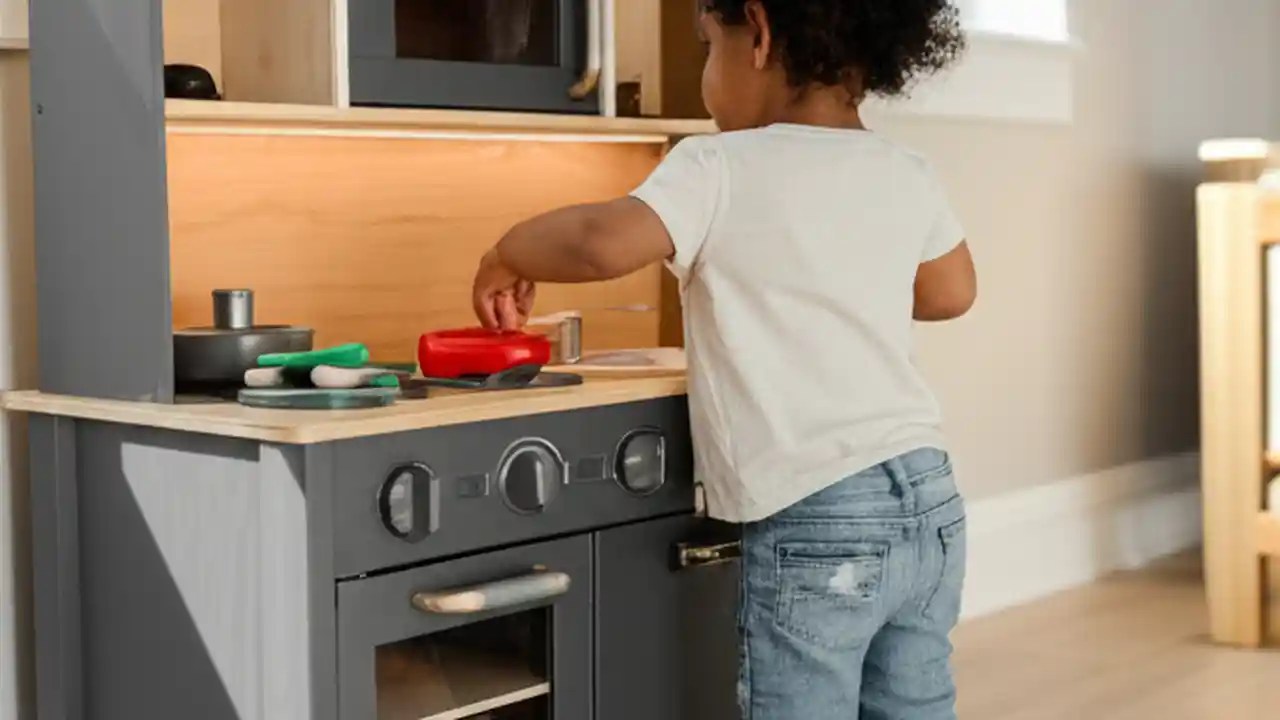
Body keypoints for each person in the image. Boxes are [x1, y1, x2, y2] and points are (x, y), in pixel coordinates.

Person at [472, 1, 974, 717]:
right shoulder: (905, 169)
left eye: (709, 45)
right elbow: (952, 293)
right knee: (914, 705)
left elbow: (597, 243)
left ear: (758, 36)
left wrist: (507, 251)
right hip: (929, 501)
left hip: (816, 513)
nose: (707, 69)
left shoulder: (719, 163)